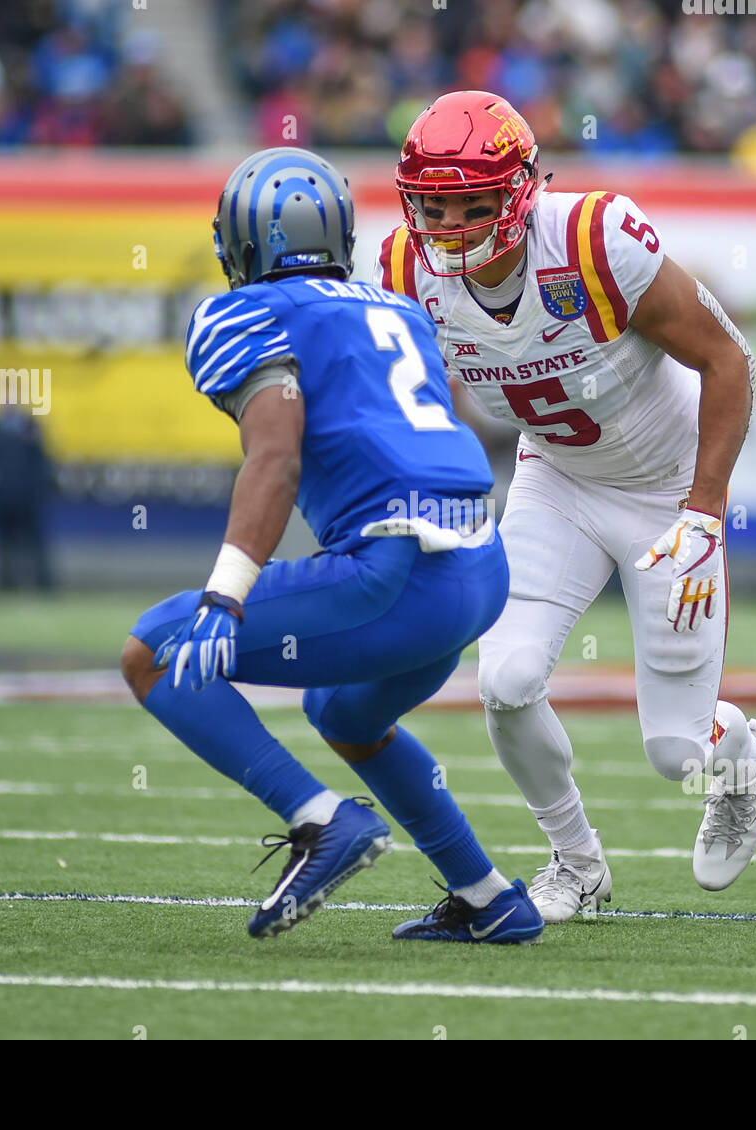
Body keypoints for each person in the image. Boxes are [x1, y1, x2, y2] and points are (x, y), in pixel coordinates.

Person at [119, 147, 542, 945]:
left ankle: (321, 821)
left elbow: (274, 458)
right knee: (346, 715)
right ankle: (489, 898)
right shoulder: (395, 307)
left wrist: (224, 595)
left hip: (392, 576)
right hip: (478, 571)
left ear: (238, 243)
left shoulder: (236, 312)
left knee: (151, 654)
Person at [376, 92, 756, 923]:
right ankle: (576, 863)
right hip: (556, 480)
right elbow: (413, 401)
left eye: (471, 201)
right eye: (433, 202)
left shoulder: (593, 240)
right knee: (506, 680)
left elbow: (727, 359)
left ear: (518, 191)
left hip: (668, 494)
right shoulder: (405, 272)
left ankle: (741, 762)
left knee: (674, 752)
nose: (447, 224)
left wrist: (703, 511)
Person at [0, 405, 54, 591]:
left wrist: (38, 492)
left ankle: (43, 585)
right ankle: (6, 585)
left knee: (35, 545)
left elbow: (41, 463)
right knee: (4, 545)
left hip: (28, 498)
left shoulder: (31, 427)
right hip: (3, 498)